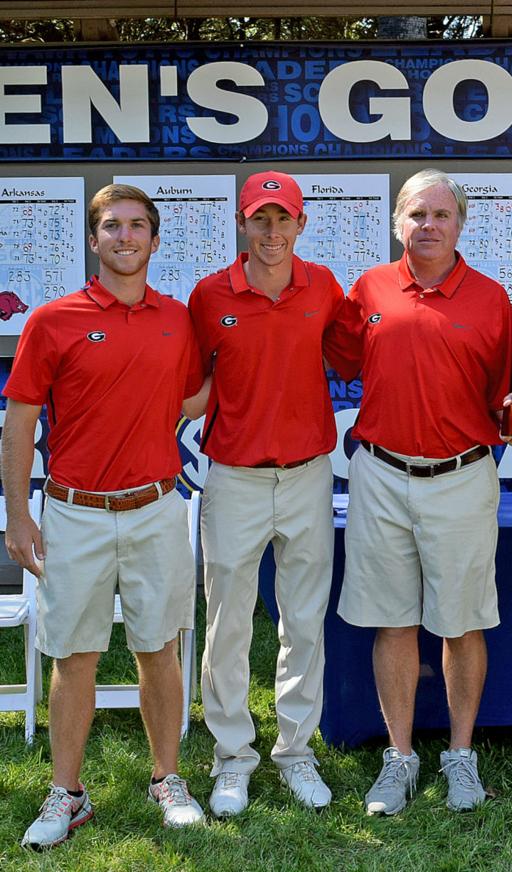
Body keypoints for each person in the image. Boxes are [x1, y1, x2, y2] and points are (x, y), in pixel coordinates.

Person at [4, 184, 206, 848]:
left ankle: (167, 778)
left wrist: (260, 358)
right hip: (75, 513)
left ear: (154, 239)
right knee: (74, 655)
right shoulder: (52, 320)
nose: (126, 236)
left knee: (159, 649)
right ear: (93, 240)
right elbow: (20, 421)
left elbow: (191, 399)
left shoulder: (177, 320)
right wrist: (19, 516)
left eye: (137, 225)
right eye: (112, 226)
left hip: (155, 508)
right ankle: (67, 792)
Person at [329, 170, 512, 815]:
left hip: (461, 476)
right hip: (380, 473)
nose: (428, 225)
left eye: (441, 215)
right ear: (397, 223)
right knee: (394, 619)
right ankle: (400, 756)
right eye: (416, 214)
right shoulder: (369, 289)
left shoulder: (491, 299)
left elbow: (508, 396)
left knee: (461, 623)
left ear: (460, 224)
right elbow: (342, 360)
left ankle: (460, 755)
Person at [188, 171, 347, 816]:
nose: (272, 231)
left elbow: (358, 353)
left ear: (301, 224)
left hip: (308, 473)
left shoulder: (323, 286)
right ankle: (232, 757)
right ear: (242, 222)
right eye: (261, 218)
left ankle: (296, 751)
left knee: (303, 620)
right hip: (234, 477)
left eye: (283, 219)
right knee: (227, 623)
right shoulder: (208, 296)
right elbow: (189, 385)